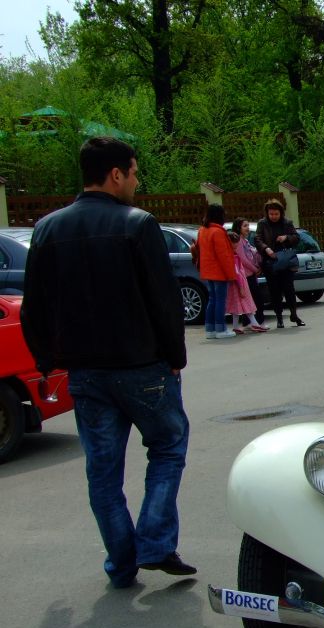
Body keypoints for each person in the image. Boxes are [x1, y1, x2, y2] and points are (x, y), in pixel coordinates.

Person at [20, 136, 195, 587]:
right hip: (143, 367)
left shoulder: (46, 229)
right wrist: (174, 356)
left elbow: (34, 305)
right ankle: (155, 544)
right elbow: (164, 299)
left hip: (85, 372)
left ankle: (121, 563)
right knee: (169, 447)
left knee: (102, 471)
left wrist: (45, 360)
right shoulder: (139, 224)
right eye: (134, 172)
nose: (136, 181)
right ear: (116, 174)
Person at [254, 199, 304, 329]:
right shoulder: (262, 224)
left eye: (276, 214)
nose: (274, 216)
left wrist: (286, 237)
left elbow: (296, 237)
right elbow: (257, 239)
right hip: (270, 262)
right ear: (267, 213)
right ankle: (279, 318)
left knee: (289, 289)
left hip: (286, 261)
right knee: (274, 291)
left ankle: (294, 315)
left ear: (281, 213)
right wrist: (266, 249)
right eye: (271, 214)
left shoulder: (287, 223)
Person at [197, 204, 238, 339]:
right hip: (219, 271)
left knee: (212, 299)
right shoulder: (218, 232)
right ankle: (221, 329)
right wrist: (231, 274)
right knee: (220, 300)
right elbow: (224, 256)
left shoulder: (202, 230)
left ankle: (210, 329)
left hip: (208, 270)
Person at [227, 220, 267, 334]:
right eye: (245, 226)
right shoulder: (238, 243)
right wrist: (255, 269)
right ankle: (254, 323)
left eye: (248, 225)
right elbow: (242, 264)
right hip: (243, 279)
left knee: (240, 304)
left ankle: (239, 325)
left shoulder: (244, 241)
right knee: (248, 302)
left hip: (245, 277)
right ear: (238, 228)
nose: (248, 228)